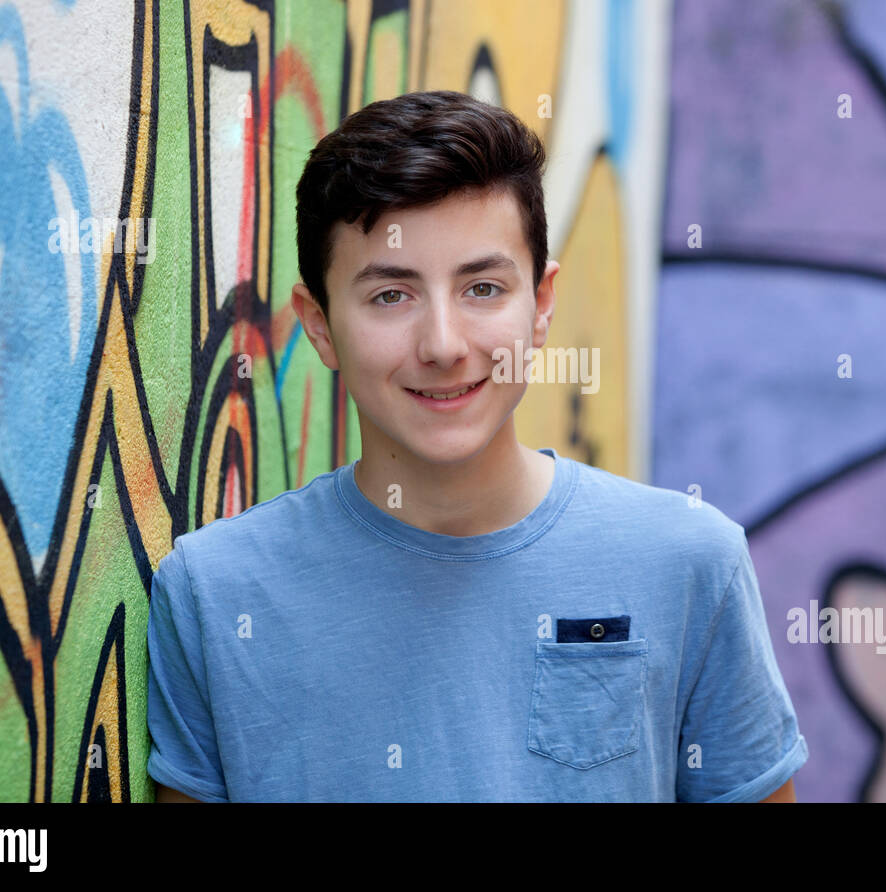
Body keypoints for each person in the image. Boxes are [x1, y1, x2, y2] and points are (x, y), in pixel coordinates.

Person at [147, 89, 807, 802]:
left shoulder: (688, 563)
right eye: (390, 296)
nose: (443, 345)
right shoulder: (212, 596)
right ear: (319, 324)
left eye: (484, 288)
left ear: (542, 304)